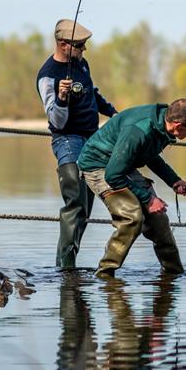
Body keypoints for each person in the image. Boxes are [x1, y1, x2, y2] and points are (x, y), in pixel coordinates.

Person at [77, 98, 186, 278]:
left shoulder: (161, 124)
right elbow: (113, 175)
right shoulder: (138, 131)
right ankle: (105, 273)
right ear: (178, 125)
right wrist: (148, 199)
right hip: (98, 165)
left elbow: (150, 155)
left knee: (159, 219)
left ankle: (174, 274)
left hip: (120, 164)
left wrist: (174, 180)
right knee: (132, 217)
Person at [36, 18, 118, 268]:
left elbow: (93, 94)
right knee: (76, 202)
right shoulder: (48, 76)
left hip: (92, 139)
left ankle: (68, 266)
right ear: (63, 44)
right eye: (80, 45)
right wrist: (62, 98)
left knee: (86, 209)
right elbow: (57, 122)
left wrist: (114, 114)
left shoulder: (82, 64)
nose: (84, 49)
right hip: (67, 140)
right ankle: (65, 267)